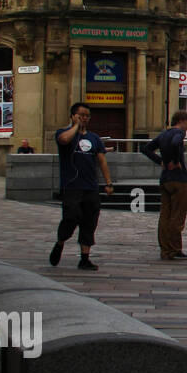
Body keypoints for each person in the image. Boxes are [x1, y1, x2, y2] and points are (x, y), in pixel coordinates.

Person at [50, 102, 113, 270]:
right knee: (70, 217)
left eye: (87, 116)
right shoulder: (64, 133)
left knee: (89, 221)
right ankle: (60, 241)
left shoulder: (94, 138)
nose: (85, 118)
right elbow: (64, 140)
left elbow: (102, 160)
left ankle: (85, 258)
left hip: (90, 187)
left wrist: (108, 183)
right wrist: (76, 126)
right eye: (81, 115)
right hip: (72, 186)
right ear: (72, 116)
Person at [141, 110, 187, 261]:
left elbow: (145, 149)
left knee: (165, 215)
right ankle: (175, 249)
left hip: (165, 179)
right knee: (177, 216)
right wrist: (176, 162)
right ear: (182, 121)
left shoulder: (163, 134)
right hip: (178, 179)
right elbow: (176, 143)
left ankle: (165, 249)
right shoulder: (179, 133)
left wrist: (161, 162)